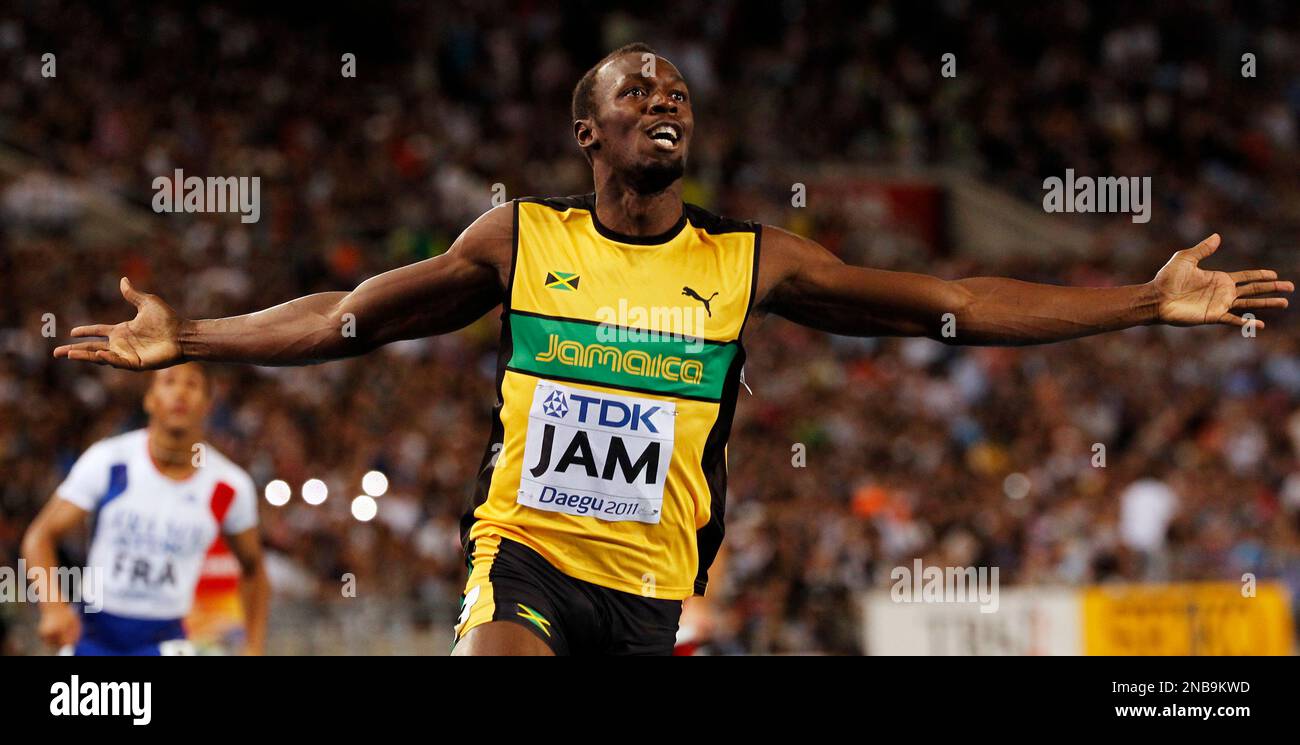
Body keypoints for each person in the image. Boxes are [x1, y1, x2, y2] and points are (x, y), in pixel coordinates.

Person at [52, 43, 1291, 655]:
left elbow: (948, 299)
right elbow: (345, 317)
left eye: (678, 95)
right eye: (637, 91)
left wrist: (1137, 302)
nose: (665, 101)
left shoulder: (752, 263)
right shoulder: (516, 237)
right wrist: (191, 336)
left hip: (653, 592)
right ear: (585, 128)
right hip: (527, 557)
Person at [22, 363, 268, 655]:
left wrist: (253, 646)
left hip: (164, 639)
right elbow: (40, 536)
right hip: (92, 634)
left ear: (207, 405)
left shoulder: (229, 486)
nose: (180, 392)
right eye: (169, 382)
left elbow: (253, 569)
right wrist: (53, 608)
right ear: (150, 398)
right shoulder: (110, 460)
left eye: (192, 385)